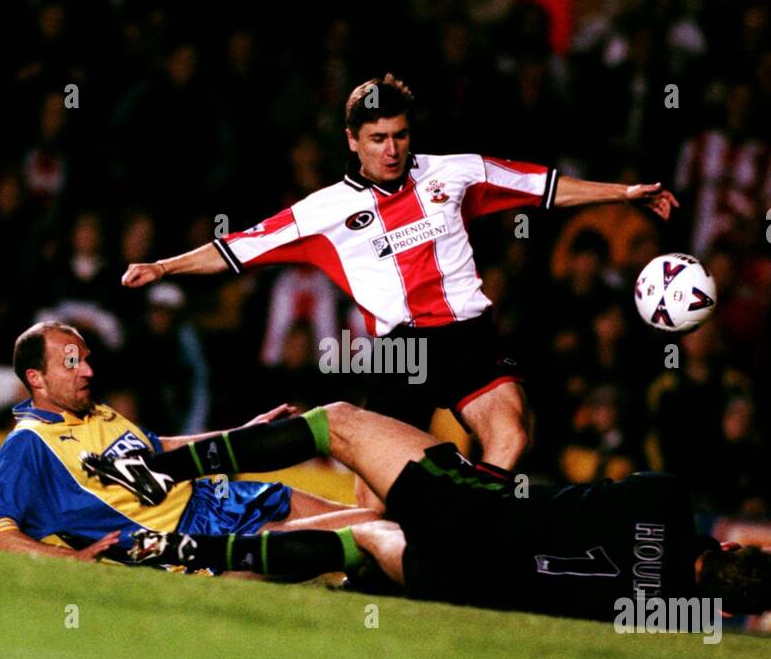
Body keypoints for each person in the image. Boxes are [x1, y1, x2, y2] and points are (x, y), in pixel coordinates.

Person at [119, 74, 678, 487]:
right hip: (402, 349)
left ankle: (468, 523)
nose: (392, 149)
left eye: (401, 135)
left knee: (511, 434)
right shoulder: (325, 211)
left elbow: (542, 187)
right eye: (379, 137)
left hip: (470, 334)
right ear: (352, 140)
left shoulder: (455, 171)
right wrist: (164, 267)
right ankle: (363, 562)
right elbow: (238, 248)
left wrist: (624, 193)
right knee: (379, 479)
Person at [83, 402, 771, 621]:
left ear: (729, 549)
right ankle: (180, 559)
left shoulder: (666, 499)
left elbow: (638, 489)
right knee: (357, 541)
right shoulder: (666, 617)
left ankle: (162, 464)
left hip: (475, 513)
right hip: (465, 585)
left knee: (341, 425)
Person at [0, 323, 376, 565]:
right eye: (70, 363)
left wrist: (240, 434)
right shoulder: (28, 443)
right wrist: (72, 558)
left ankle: (383, 574)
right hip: (192, 537)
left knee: (359, 517)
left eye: (85, 359)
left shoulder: (96, 411)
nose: (88, 371)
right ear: (37, 379)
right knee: (367, 531)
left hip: (216, 495)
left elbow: (160, 449)